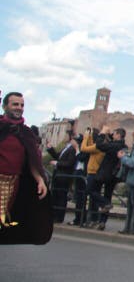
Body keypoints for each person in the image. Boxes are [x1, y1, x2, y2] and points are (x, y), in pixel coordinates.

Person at [0, 92, 51, 245]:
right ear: (5, 106)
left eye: (22, 105)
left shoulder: (26, 133)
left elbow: (32, 161)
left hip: (11, 184)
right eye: (15, 104)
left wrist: (40, 180)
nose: (19, 107)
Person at [91, 127, 126, 230]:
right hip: (114, 176)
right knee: (108, 195)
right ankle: (102, 222)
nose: (113, 135)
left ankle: (105, 204)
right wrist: (109, 134)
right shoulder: (122, 145)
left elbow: (99, 145)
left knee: (91, 190)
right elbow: (110, 142)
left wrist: (102, 133)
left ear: (118, 135)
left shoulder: (114, 145)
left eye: (114, 133)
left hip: (105, 173)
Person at [46, 135, 79, 223]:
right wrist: (50, 149)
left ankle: (59, 217)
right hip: (58, 175)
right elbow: (58, 156)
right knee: (55, 196)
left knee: (61, 197)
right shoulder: (66, 147)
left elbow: (69, 163)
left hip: (64, 176)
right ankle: (53, 215)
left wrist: (57, 163)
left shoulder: (72, 149)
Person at [80, 127, 105, 227]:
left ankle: (104, 203)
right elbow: (91, 146)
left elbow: (84, 148)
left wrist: (86, 137)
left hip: (93, 172)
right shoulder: (99, 146)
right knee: (93, 196)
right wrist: (90, 136)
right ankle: (94, 219)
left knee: (90, 192)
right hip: (94, 172)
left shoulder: (99, 147)